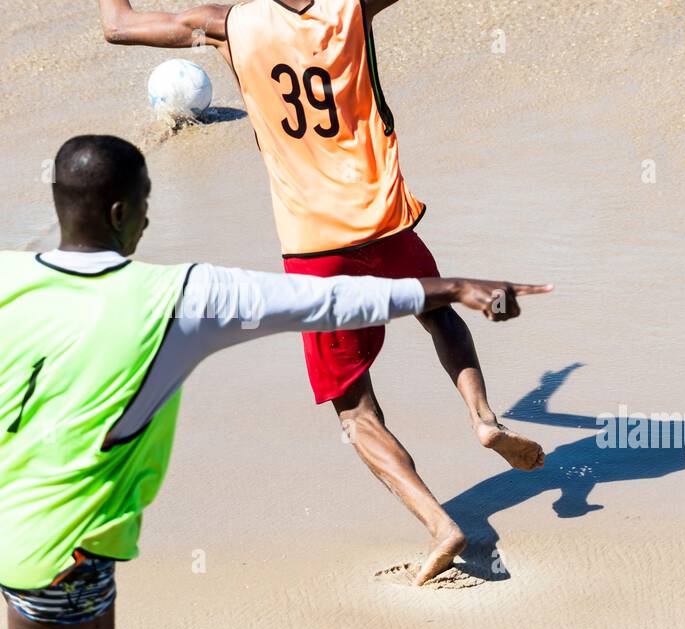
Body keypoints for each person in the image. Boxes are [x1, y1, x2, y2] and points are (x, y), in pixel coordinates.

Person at [0, 134, 548, 629]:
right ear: (124, 210)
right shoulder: (178, 298)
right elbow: (321, 300)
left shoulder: (9, 275)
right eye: (148, 208)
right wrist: (448, 288)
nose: (152, 224)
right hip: (61, 552)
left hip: (13, 523)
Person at [98, 0, 548, 584]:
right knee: (439, 313)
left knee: (356, 410)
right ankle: (484, 418)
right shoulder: (350, 8)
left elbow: (118, 26)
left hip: (316, 249)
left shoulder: (231, 24)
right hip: (384, 221)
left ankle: (441, 525)